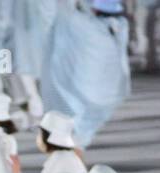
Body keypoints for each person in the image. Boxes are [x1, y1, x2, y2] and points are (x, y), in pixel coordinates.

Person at [42, 1, 130, 149]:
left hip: (85, 92)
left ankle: (73, 153)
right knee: (80, 129)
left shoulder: (81, 24)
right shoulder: (118, 27)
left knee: (77, 127)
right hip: (103, 94)